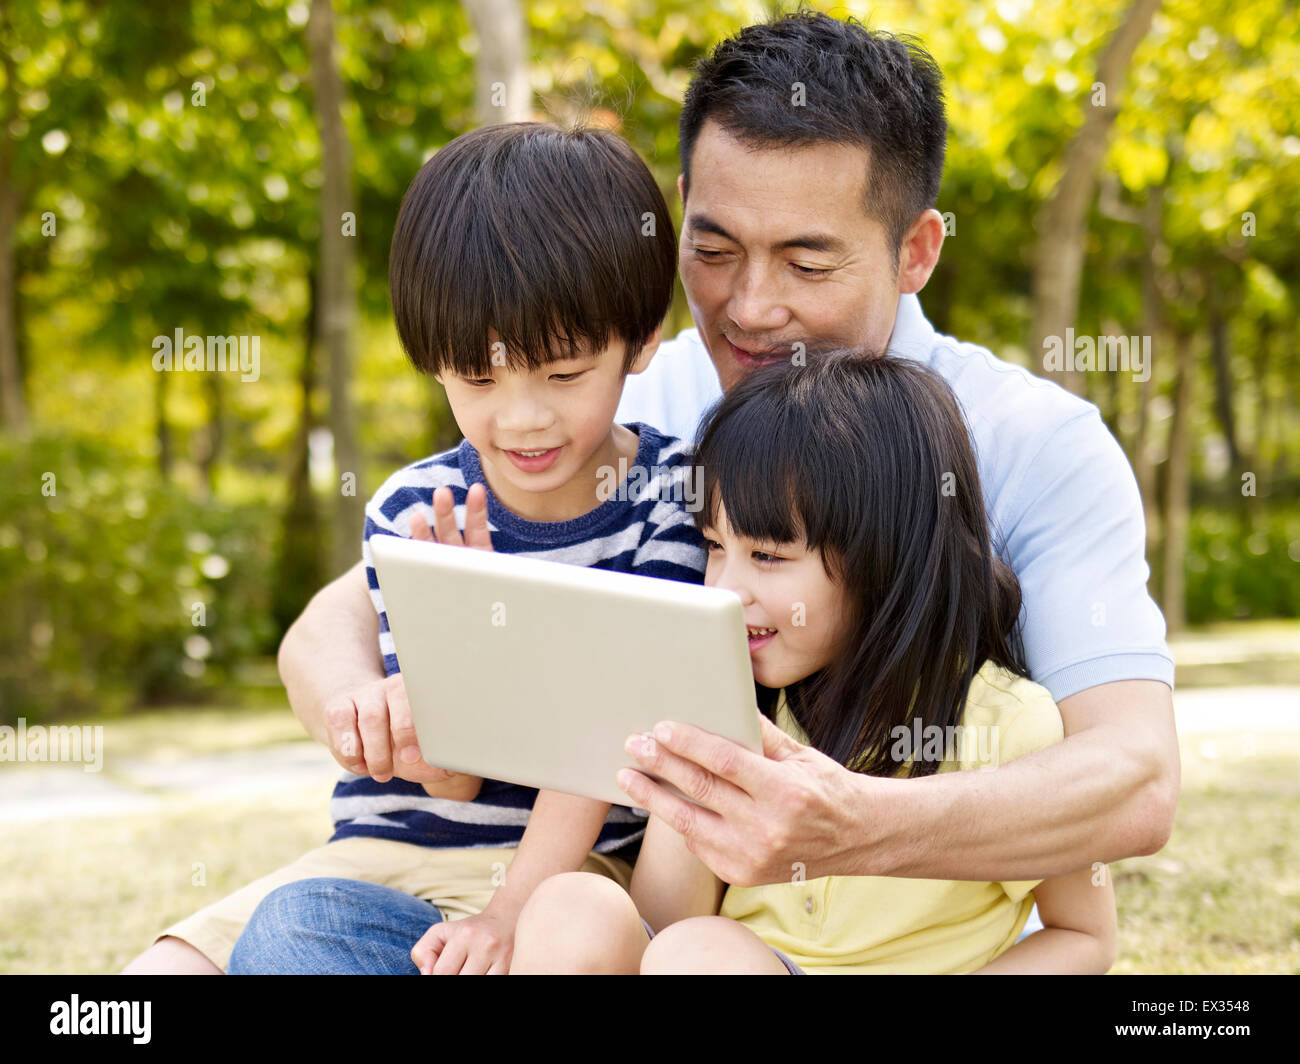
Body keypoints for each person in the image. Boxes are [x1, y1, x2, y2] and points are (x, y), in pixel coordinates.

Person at [129, 12, 1178, 974]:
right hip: (521, 886)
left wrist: (847, 822)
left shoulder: (1033, 442)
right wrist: (360, 696)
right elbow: (358, 600)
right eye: (713, 251)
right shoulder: (632, 388)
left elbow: (1135, 778)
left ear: (915, 250)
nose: (750, 308)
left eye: (805, 261)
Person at [127, 121, 705, 975]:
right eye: (478, 380)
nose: (522, 418)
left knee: (299, 942)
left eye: (565, 374)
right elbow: (452, 777)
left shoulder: (671, 498)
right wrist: (436, 695)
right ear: (434, 361)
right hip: (380, 858)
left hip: (558, 878)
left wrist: (512, 907)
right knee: (162, 975)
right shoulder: (414, 506)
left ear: (642, 336)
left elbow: (608, 732)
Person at [510, 353, 1118, 974]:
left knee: (701, 957)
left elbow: (1082, 934)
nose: (726, 588)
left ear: (885, 559)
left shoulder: (1008, 724)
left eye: (769, 556)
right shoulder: (737, 696)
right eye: (717, 547)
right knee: (573, 907)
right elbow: (663, 927)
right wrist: (693, 768)